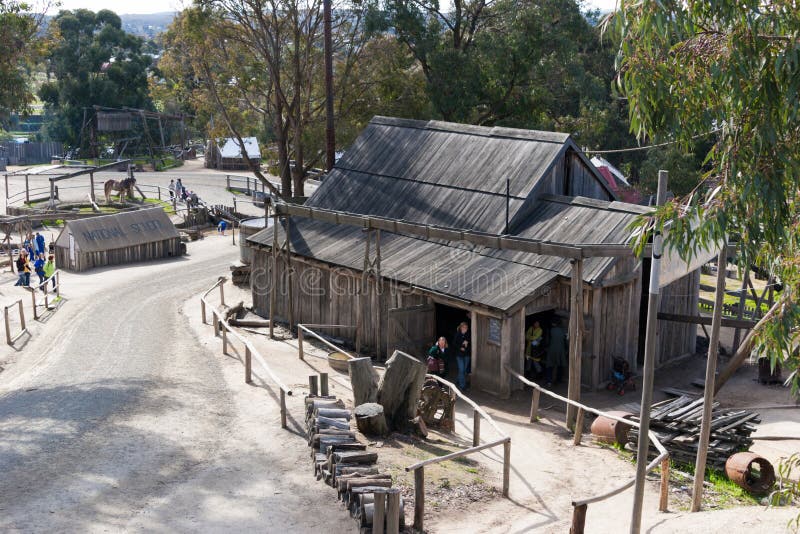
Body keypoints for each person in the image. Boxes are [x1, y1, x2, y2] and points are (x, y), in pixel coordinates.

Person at [545, 319, 567, 388]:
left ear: (553, 324)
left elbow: (547, 341)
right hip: (561, 350)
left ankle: (549, 381)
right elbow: (566, 341)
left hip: (551, 350)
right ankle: (558, 380)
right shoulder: (563, 331)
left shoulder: (550, 331)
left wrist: (545, 348)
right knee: (560, 365)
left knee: (549, 366)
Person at [452, 322, 471, 391]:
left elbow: (471, 343)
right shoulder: (457, 334)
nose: (465, 329)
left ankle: (458, 380)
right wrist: (460, 347)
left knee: (464, 370)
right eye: (463, 327)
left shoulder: (468, 334)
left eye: (466, 328)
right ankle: (462, 386)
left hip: (467, 355)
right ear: (460, 328)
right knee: (461, 369)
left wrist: (467, 344)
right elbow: (454, 344)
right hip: (459, 355)